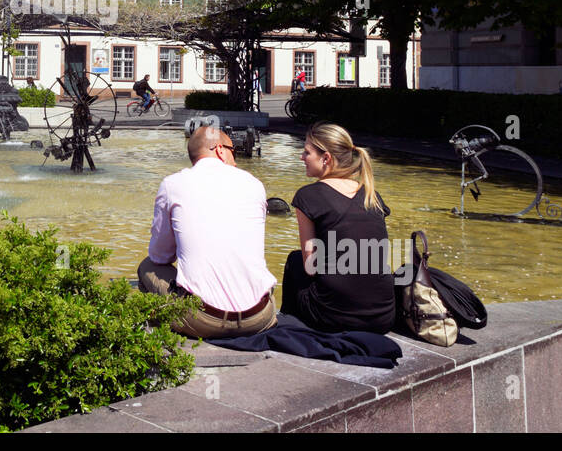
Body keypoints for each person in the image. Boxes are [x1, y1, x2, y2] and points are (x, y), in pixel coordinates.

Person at [137, 125, 277, 339]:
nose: (235, 157)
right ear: (220, 149)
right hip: (260, 317)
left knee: (147, 266)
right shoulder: (254, 184)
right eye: (234, 150)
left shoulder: (172, 185)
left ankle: (154, 335)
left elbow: (159, 256)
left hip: (202, 321)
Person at [281, 122, 396, 334]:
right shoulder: (371, 194)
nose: (301, 157)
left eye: (307, 152)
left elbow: (310, 265)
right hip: (384, 316)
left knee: (296, 261)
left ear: (326, 159)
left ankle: (287, 324)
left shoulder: (308, 196)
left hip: (335, 316)